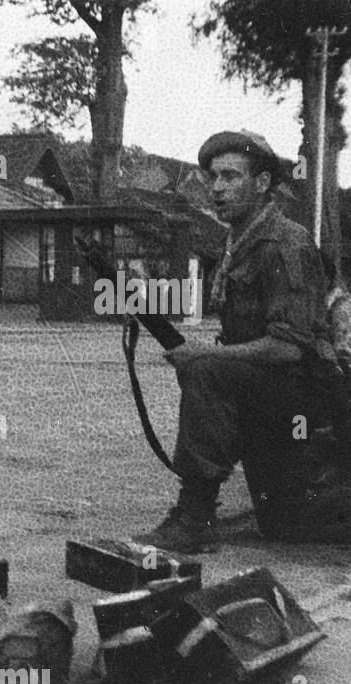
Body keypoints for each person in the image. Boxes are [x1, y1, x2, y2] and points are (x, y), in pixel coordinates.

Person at [133, 130, 345, 553]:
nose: (217, 188)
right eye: (214, 177)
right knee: (283, 522)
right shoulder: (239, 243)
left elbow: (289, 348)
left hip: (304, 396)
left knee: (208, 369)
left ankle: (195, 517)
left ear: (262, 184)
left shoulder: (284, 243)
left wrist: (207, 358)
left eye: (231, 177)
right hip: (271, 394)